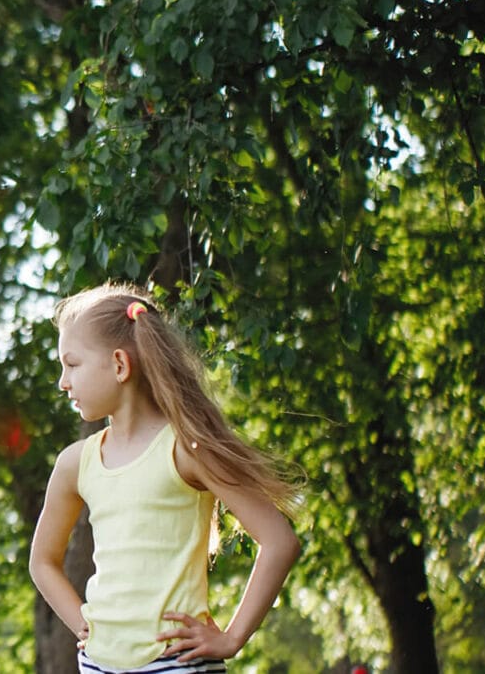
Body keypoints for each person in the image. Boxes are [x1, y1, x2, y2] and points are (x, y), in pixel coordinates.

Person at [29, 284, 301, 672]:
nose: (62, 381)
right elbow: (42, 562)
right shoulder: (75, 463)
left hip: (175, 663)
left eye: (72, 364)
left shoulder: (187, 449)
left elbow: (279, 541)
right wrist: (86, 626)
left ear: (120, 365)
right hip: (97, 664)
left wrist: (231, 638)